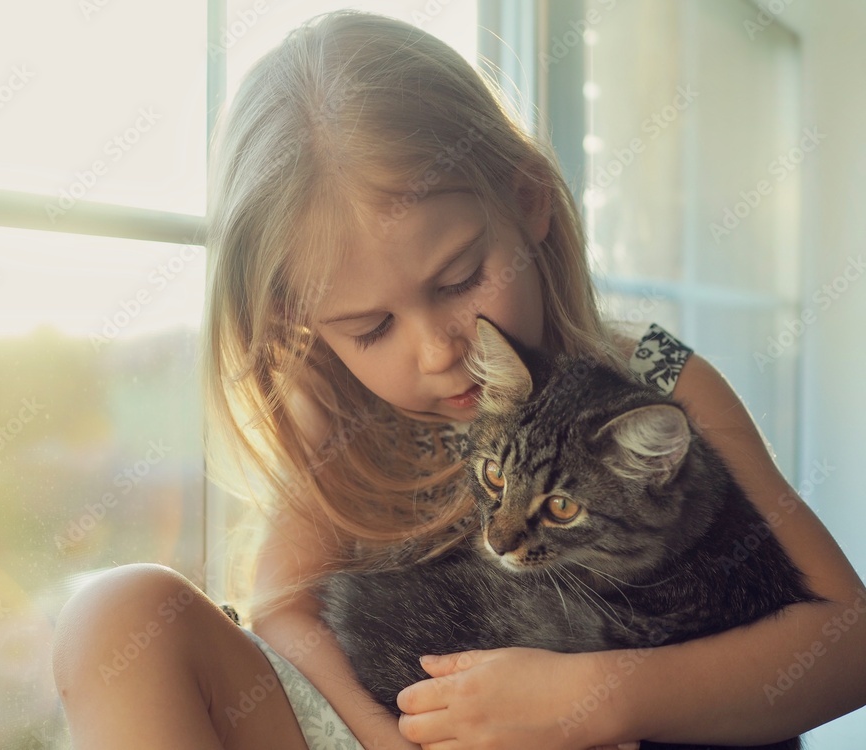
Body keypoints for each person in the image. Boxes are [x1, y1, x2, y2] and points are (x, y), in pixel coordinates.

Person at [51, 10, 866, 750]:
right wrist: (383, 740)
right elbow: (284, 609)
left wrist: (601, 696)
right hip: (376, 723)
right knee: (113, 616)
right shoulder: (340, 407)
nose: (438, 350)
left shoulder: (653, 378)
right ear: (306, 328)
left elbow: (849, 643)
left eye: (459, 279)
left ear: (530, 201)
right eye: (371, 329)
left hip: (589, 722)